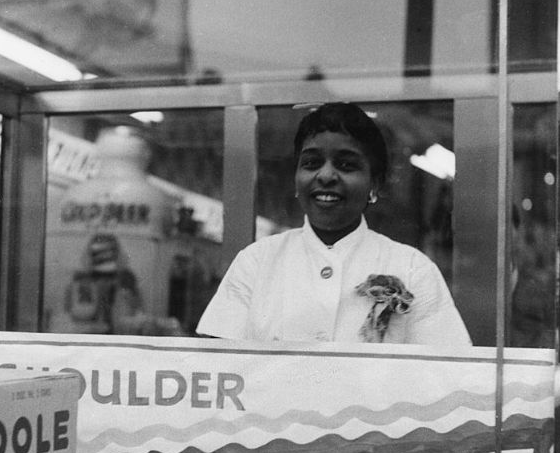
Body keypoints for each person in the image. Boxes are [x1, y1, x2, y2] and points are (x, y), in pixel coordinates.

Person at [196, 102, 471, 346]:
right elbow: (216, 369)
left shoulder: (413, 269)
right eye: (312, 163)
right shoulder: (255, 262)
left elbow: (447, 377)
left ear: (374, 184)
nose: (326, 175)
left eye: (346, 165)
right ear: (296, 178)